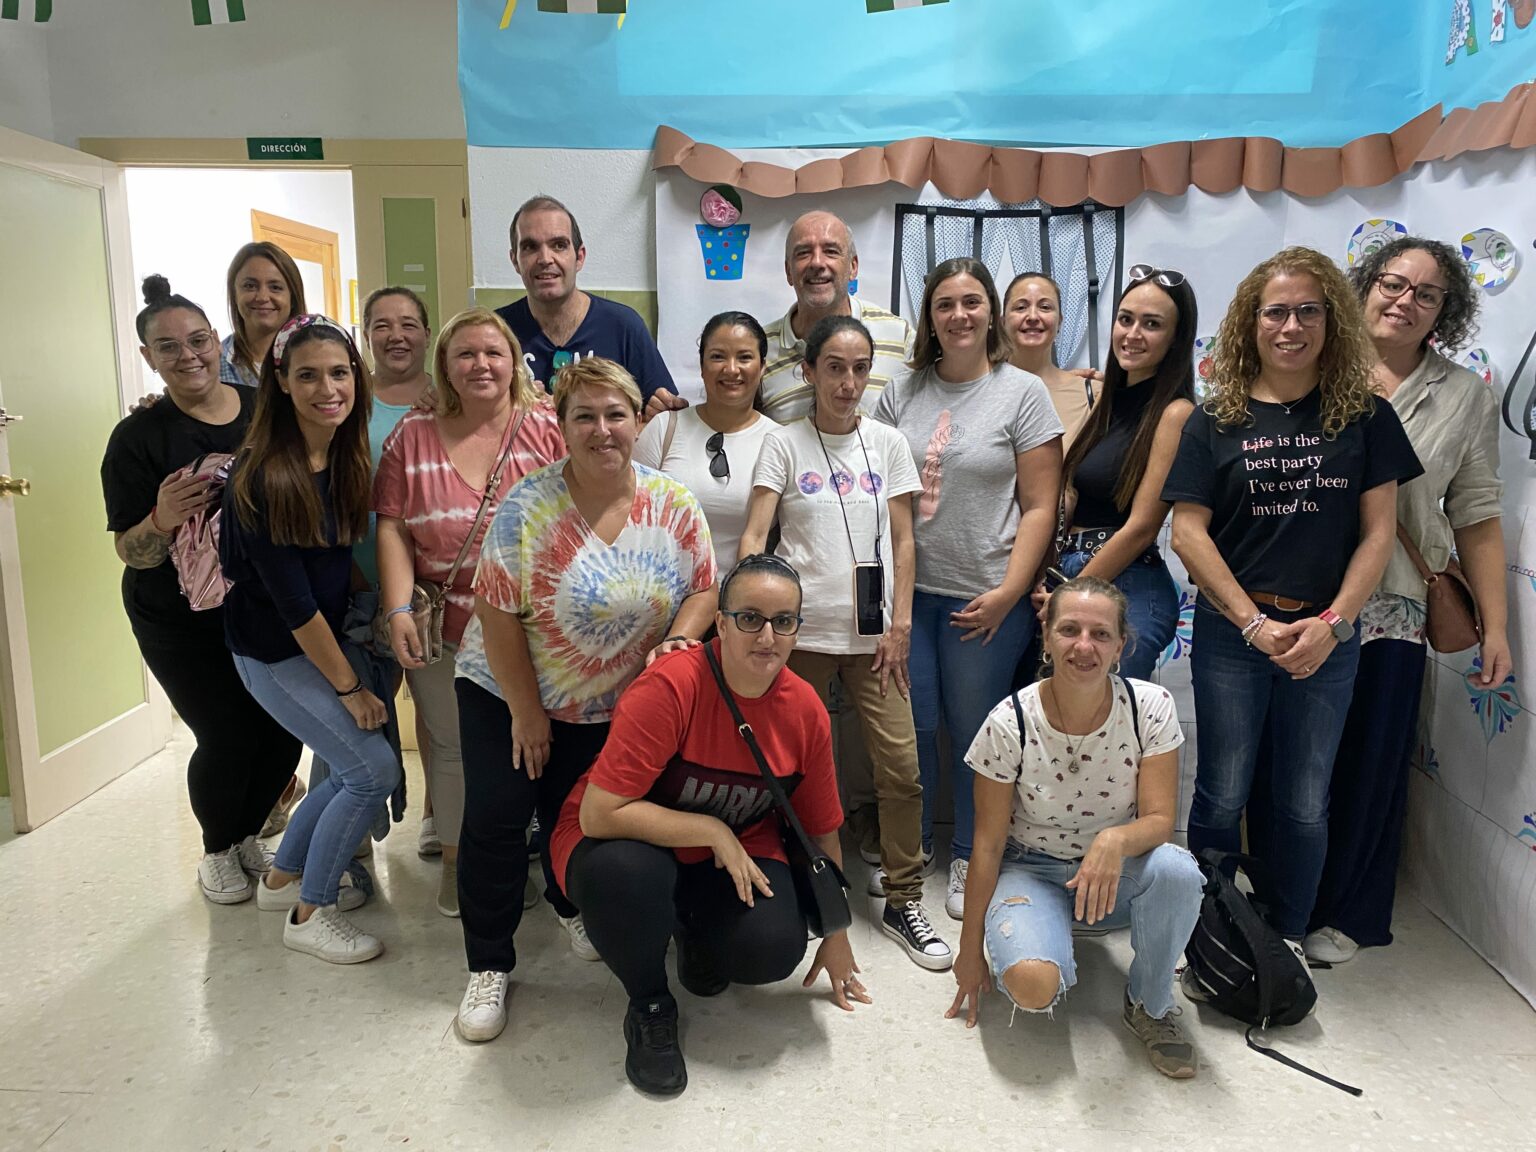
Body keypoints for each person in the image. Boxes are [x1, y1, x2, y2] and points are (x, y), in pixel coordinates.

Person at [1161, 246, 1422, 952]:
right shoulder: (1214, 419)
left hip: (1327, 636)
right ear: (1250, 324)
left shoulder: (1367, 418)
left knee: (1305, 802)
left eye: (1309, 311)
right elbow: (1187, 532)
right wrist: (1252, 624)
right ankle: (1208, 934)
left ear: (1331, 322)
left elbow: (1379, 535)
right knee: (1222, 792)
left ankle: (1287, 937)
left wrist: (1333, 625)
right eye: (1275, 312)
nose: (1291, 326)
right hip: (1232, 634)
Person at [452, 356, 717, 1033]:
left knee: (573, 816)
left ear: (638, 421)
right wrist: (526, 712)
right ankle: (489, 963)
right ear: (562, 427)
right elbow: (495, 612)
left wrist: (677, 642)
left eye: (615, 414)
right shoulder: (528, 506)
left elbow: (704, 589)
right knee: (500, 816)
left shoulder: (673, 503)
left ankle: (570, 906)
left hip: (610, 703)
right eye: (585, 417)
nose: (602, 430)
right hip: (507, 688)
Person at [546, 555, 863, 1094]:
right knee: (624, 877)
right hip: (620, 839)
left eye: (784, 621)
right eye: (750, 618)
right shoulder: (672, 685)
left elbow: (821, 829)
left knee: (772, 949)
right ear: (721, 623)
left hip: (733, 852)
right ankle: (649, 1004)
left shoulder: (805, 709)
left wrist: (836, 933)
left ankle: (694, 930)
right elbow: (601, 814)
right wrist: (712, 832)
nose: (767, 636)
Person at [1295, 237, 1508, 964]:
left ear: (1446, 311)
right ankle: (1279, 897)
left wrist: (1495, 625)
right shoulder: (1308, 363)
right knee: (1292, 759)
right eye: (1393, 283)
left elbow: (1476, 513)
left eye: (1427, 293)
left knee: (1371, 760)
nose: (1405, 301)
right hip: (1297, 598)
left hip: (1393, 605)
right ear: (1364, 287)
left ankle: (1347, 912)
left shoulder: (1465, 396)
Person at [741, 315, 952, 971]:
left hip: (876, 638)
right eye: (834, 367)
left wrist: (901, 623)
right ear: (808, 371)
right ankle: (798, 883)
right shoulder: (782, 443)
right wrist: (753, 619)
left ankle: (903, 897)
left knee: (901, 769)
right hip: (800, 636)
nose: (848, 382)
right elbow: (755, 536)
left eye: (860, 369)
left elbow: (905, 542)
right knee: (788, 767)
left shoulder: (888, 444)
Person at [947, 577, 1203, 1080]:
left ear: (1121, 646)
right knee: (1032, 987)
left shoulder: (1150, 707)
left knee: (1178, 871)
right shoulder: (1009, 721)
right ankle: (1047, 931)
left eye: (1101, 634)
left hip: (1112, 873)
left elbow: (1159, 820)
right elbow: (988, 844)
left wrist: (1114, 840)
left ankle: (1151, 1003)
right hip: (1031, 868)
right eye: (1069, 630)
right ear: (1046, 638)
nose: (1084, 646)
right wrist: (969, 949)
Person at [100, 276, 303, 905]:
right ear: (148, 357)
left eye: (197, 340)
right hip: (177, 618)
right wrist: (161, 517)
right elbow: (130, 550)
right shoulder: (137, 438)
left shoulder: (265, 409)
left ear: (217, 340)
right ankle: (218, 849)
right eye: (168, 347)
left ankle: (247, 834)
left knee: (282, 730)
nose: (187, 356)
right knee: (225, 732)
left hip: (260, 604)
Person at [874, 258, 1063, 921]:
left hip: (985, 597)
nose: (959, 315)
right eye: (945, 304)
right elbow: (884, 497)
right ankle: (915, 848)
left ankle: (968, 855)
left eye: (972, 302)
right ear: (929, 317)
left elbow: (1040, 506)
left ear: (991, 313)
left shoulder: (1023, 393)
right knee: (915, 727)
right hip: (910, 596)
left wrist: (1011, 592)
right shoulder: (901, 393)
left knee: (975, 733)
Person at [374, 307, 566, 918]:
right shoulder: (413, 433)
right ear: (445, 366)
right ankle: (462, 864)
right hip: (448, 624)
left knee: (534, 744)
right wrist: (398, 607)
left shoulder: (548, 426)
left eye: (493, 353)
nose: (481, 364)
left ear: (514, 364)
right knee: (455, 748)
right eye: (465, 354)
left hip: (537, 627)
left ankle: (536, 861)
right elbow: (393, 526)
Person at [223, 315, 401, 964]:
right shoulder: (264, 476)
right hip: (274, 651)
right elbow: (295, 606)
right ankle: (310, 913)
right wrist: (351, 689)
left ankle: (280, 880)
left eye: (339, 372)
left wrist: (374, 611)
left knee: (352, 766)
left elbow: (332, 559)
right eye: (308, 376)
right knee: (370, 770)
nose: (328, 389)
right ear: (281, 382)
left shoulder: (340, 454)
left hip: (317, 637)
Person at [1046, 265, 1198, 680]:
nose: (1132, 334)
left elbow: (1142, 527)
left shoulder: (1176, 414)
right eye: (1125, 319)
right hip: (1073, 572)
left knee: (1111, 716)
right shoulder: (1105, 402)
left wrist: (1070, 596)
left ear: (1176, 339)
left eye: (1152, 324)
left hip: (1126, 583)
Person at [644, 211, 913, 424]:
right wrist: (678, 420)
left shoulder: (898, 336)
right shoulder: (757, 350)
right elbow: (729, 424)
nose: (817, 263)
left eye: (831, 251)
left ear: (853, 267)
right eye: (803, 253)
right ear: (788, 271)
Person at [633, 311, 779, 575]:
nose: (731, 369)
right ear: (701, 367)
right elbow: (629, 517)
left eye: (744, 357)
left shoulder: (779, 442)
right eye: (718, 357)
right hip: (662, 593)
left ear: (763, 367)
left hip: (740, 595)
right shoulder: (665, 428)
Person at [494, 195, 674, 403]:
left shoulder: (623, 326)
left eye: (559, 245)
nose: (545, 259)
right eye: (530, 247)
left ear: (579, 257)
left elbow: (664, 409)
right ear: (515, 261)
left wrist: (657, 413)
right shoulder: (497, 332)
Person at [1005, 272, 1098, 449]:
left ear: (1059, 322)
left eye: (1045, 307)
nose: (1033, 317)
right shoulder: (980, 389)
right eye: (1021, 307)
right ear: (1002, 321)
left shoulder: (1092, 395)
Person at [221, 241, 307, 390]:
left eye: (275, 287)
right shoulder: (214, 365)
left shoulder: (317, 358)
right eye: (250, 286)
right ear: (234, 294)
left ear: (292, 297)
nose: (262, 297)